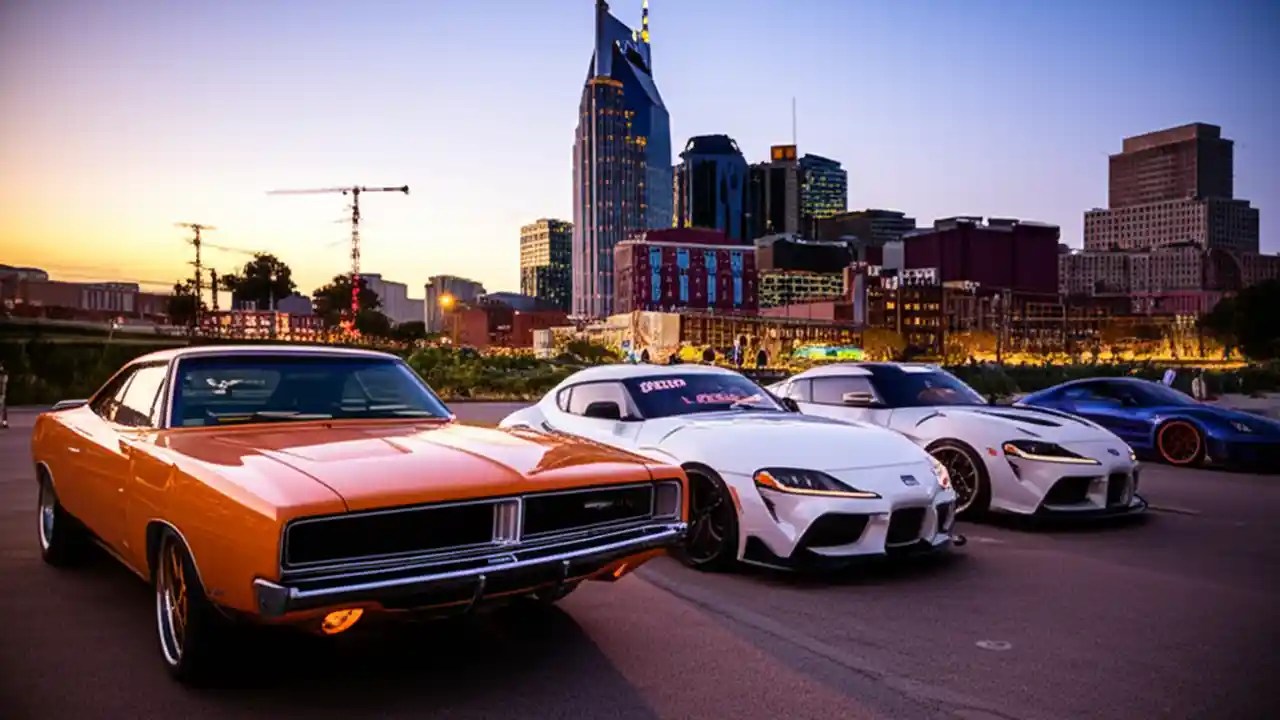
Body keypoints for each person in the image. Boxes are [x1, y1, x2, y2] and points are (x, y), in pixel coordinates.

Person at [0, 361, 8, 430]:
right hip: (1, 392)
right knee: (2, 407)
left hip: (1, 393)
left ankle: (4, 422)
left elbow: (4, 385)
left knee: (3, 406)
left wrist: (3, 393)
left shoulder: (4, 375)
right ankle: (3, 421)